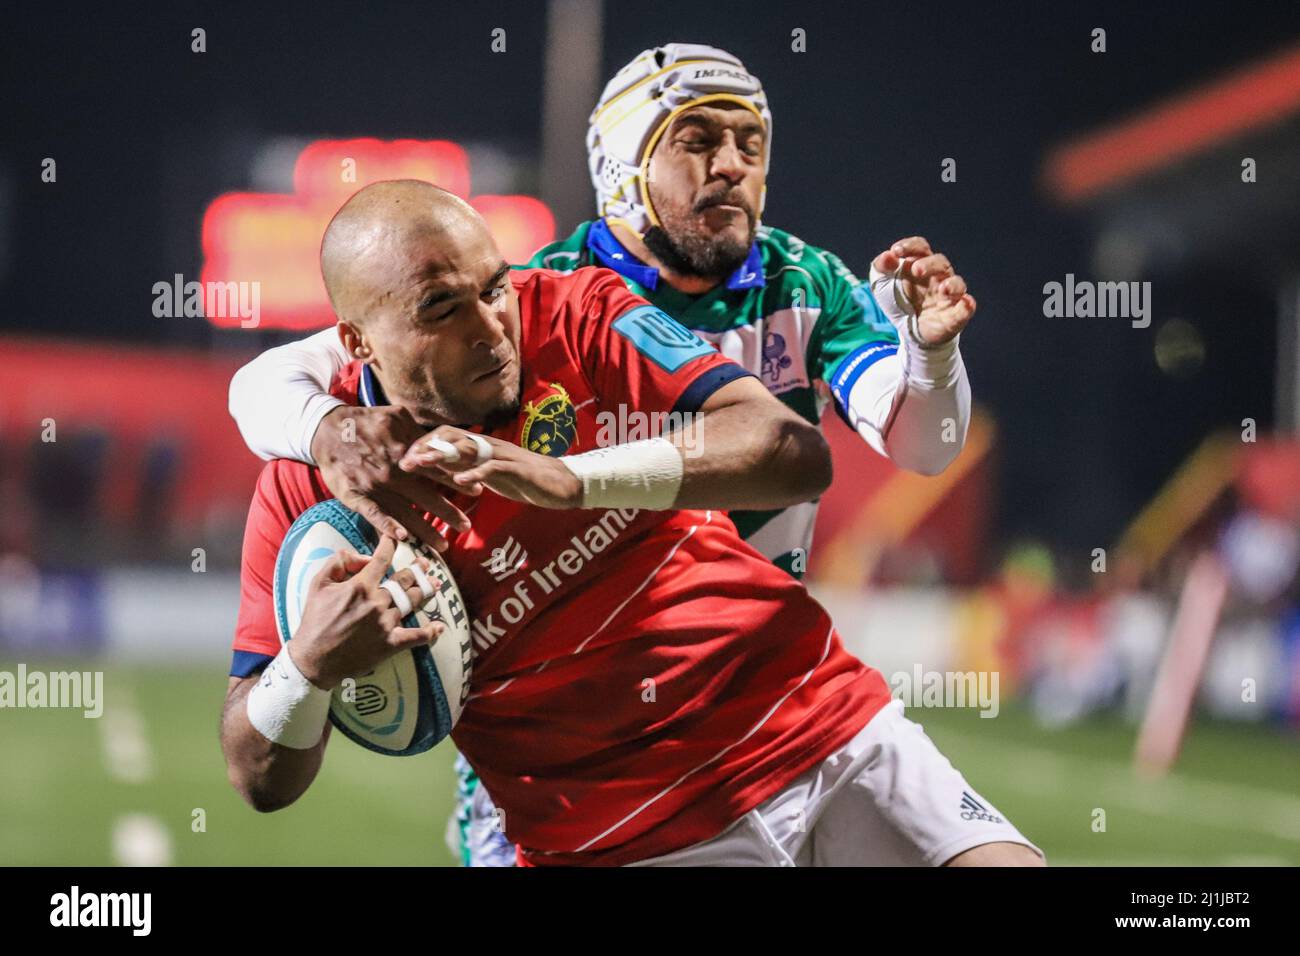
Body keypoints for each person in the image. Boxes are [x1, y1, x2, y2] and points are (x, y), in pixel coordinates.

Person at [228, 45, 974, 865]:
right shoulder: (554, 286)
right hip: (579, 786)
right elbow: (286, 371)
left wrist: (931, 357)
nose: (730, 167)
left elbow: (892, 445)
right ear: (627, 165)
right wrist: (321, 430)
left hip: (788, 695)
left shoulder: (794, 285)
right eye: (695, 142)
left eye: (749, 145)